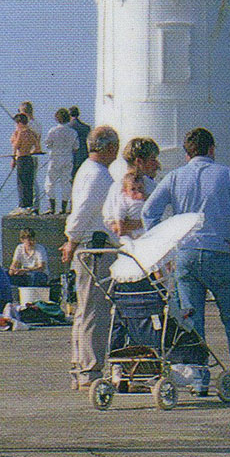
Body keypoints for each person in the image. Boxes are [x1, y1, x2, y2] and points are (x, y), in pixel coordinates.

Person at [142, 128, 230, 396]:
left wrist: (163, 244)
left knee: (191, 320)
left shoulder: (175, 176)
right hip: (218, 253)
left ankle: (198, 380)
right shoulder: (228, 174)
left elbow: (148, 211)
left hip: (185, 255)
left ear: (187, 153)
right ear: (212, 149)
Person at [61, 125, 120, 390]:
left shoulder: (88, 170)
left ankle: (80, 367)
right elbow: (85, 210)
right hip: (95, 248)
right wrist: (71, 239)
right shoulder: (98, 175)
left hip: (90, 245)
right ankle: (90, 370)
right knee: (95, 311)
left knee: (85, 310)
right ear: (109, 147)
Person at [102, 137, 162, 233]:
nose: (157, 164)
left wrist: (126, 224)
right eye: (153, 159)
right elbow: (111, 223)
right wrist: (144, 222)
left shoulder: (115, 187)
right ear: (139, 161)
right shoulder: (152, 187)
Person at [44, 107, 79, 215]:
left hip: (55, 159)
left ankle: (52, 207)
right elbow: (76, 146)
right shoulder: (73, 132)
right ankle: (64, 208)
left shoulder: (53, 131)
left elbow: (47, 144)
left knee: (50, 183)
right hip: (67, 158)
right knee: (66, 183)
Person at [106, 171, 150, 244]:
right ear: (125, 191)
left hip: (143, 229)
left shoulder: (147, 198)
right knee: (127, 241)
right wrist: (121, 229)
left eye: (140, 188)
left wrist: (146, 198)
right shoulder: (125, 200)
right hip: (130, 230)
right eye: (133, 189)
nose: (137, 191)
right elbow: (119, 214)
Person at [11, 112, 41, 214]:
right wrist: (30, 151)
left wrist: (13, 159)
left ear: (19, 123)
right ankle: (29, 205)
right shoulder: (31, 133)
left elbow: (16, 146)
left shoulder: (20, 133)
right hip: (29, 159)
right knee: (29, 183)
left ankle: (23, 206)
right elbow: (37, 147)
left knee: (22, 183)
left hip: (21, 159)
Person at [20, 101, 43, 212]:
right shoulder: (37, 124)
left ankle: (33, 206)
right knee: (31, 180)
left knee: (31, 181)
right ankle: (32, 205)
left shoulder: (28, 125)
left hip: (29, 155)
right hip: (34, 154)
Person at [68, 106, 91, 179]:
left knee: (72, 179)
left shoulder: (68, 127)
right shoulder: (86, 128)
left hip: (72, 156)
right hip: (84, 156)